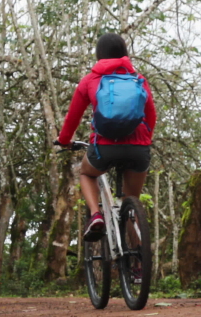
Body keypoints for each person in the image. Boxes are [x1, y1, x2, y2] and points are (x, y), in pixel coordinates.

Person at [55, 33, 157, 242]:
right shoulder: (138, 79)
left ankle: (96, 215)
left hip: (104, 147)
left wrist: (64, 140)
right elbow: (151, 115)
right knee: (131, 202)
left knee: (86, 173)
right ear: (125, 53)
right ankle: (139, 265)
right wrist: (144, 139)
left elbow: (72, 118)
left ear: (99, 53)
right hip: (138, 148)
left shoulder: (91, 80)